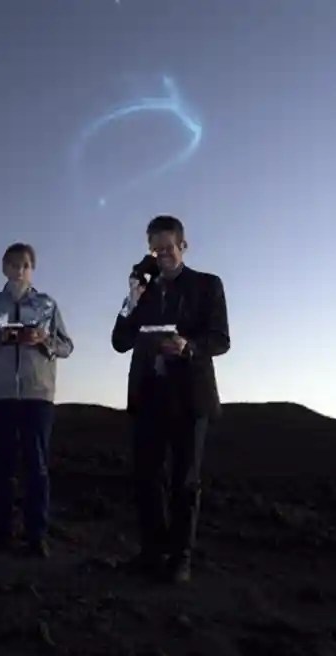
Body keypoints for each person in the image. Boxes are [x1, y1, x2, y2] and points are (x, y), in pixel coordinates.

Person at [110, 215, 229, 584]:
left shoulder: (207, 285)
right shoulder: (143, 293)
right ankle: (152, 551)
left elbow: (221, 339)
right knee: (146, 477)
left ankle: (181, 558)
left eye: (168, 248)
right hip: (148, 394)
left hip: (189, 397)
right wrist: (131, 298)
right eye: (155, 250)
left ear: (183, 246)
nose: (162, 256)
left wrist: (188, 346)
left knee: (184, 481)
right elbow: (119, 341)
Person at [0, 242, 74, 557]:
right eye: (13, 264)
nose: (19, 270)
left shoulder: (47, 305)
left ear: (32, 269)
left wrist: (44, 342)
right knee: (1, 466)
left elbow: (67, 346)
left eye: (25, 265)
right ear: (4, 268)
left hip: (37, 397)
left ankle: (36, 535)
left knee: (36, 467)